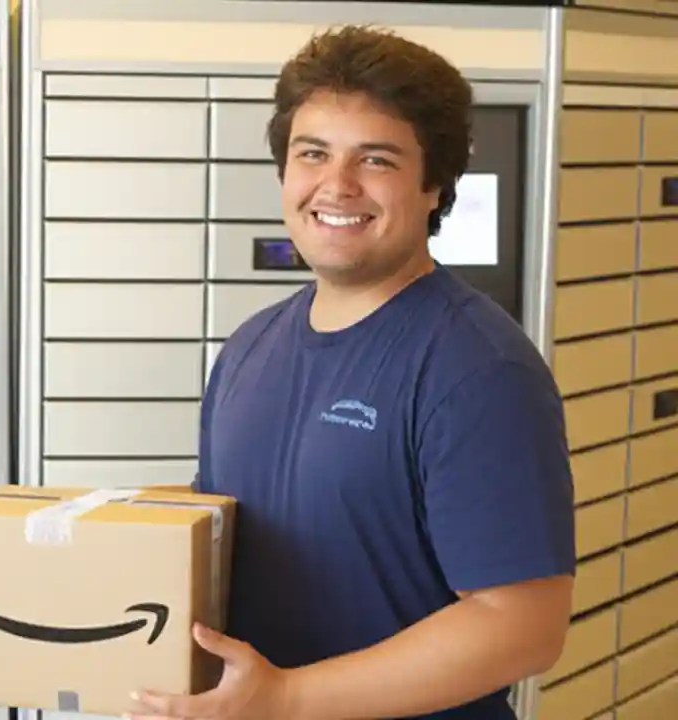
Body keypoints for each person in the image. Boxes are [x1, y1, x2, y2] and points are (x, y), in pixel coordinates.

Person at [128, 25, 576, 720]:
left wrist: (285, 697)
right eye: (313, 154)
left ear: (435, 187)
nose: (336, 185)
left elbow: (522, 627)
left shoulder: (477, 369)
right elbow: (232, 531)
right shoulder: (251, 347)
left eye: (376, 160)